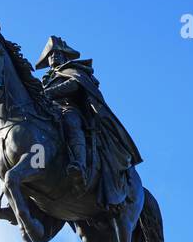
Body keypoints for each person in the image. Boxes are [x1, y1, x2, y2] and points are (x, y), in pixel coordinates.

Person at [36, 35, 143, 205]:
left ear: (64, 55)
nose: (53, 56)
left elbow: (75, 85)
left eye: (57, 53)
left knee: (71, 122)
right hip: (50, 112)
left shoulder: (74, 69)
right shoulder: (45, 79)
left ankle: (78, 165)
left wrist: (49, 92)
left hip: (70, 109)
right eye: (50, 55)